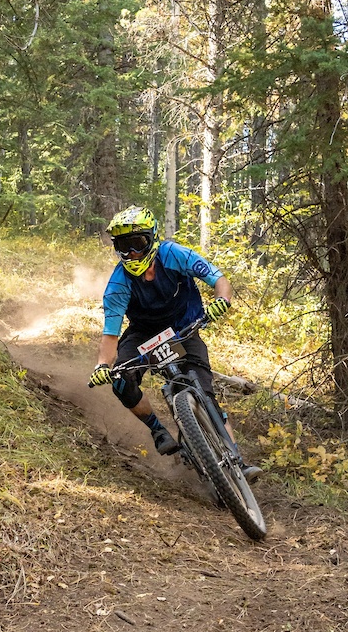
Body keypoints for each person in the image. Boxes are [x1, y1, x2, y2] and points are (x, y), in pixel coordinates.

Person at [87, 205, 262, 484]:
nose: (132, 253)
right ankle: (157, 430)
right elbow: (110, 335)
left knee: (205, 392)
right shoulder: (118, 284)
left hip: (184, 327)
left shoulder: (174, 254)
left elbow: (218, 279)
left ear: (152, 239)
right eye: (123, 246)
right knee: (121, 381)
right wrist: (102, 366)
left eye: (137, 244)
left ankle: (237, 462)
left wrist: (222, 300)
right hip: (144, 334)